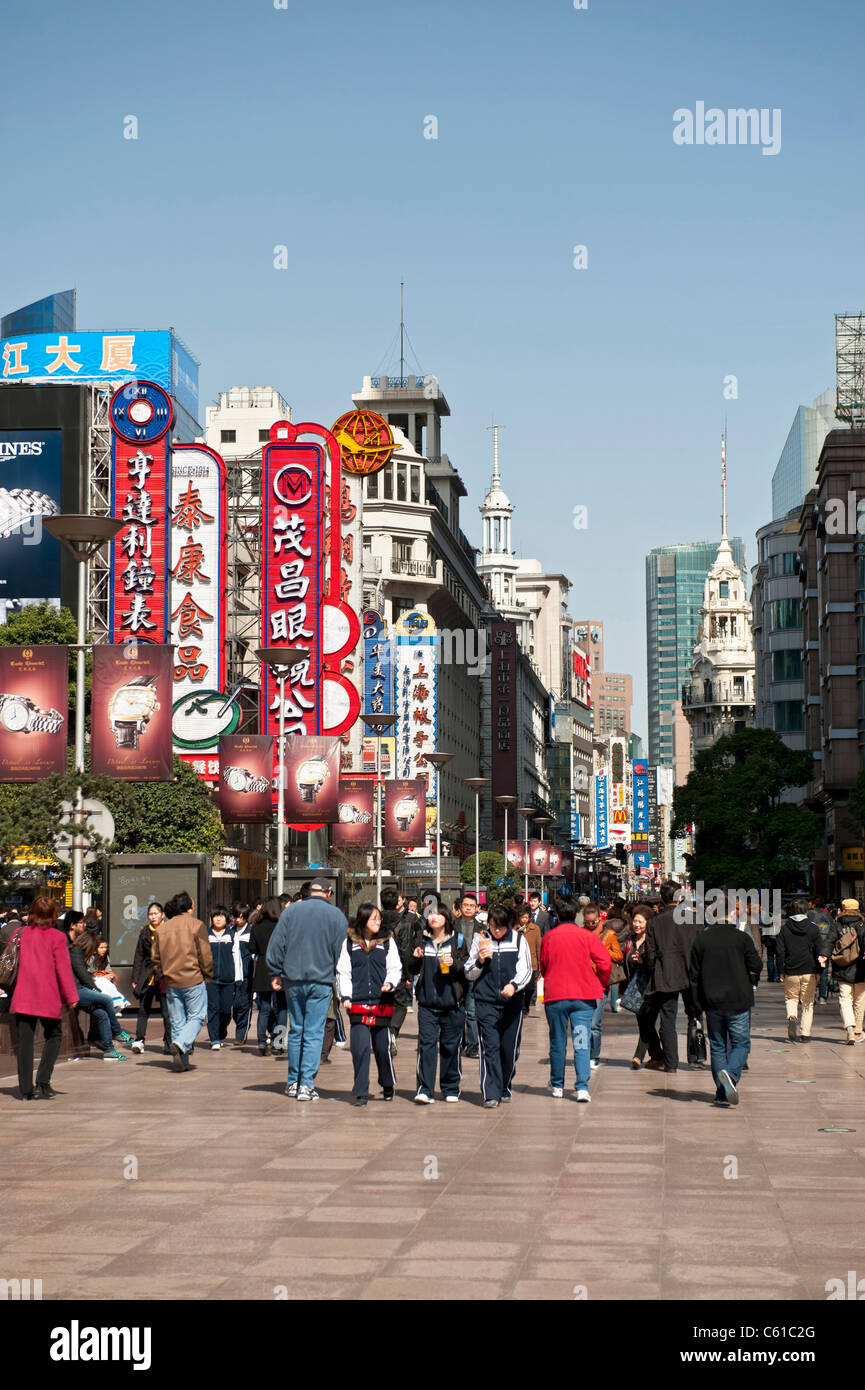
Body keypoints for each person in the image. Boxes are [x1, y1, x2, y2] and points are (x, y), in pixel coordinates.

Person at [266, 878, 348, 1101]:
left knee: (297, 1030)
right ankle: (306, 1085)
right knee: (313, 1033)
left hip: (292, 979)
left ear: (309, 892)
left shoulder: (291, 912)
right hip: (321, 980)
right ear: (329, 893)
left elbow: (276, 945)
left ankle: (293, 1082)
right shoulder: (336, 916)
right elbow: (342, 952)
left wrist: (275, 972)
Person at [689, 892, 762, 1107]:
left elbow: (693, 975)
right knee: (741, 1044)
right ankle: (730, 1075)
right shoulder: (742, 938)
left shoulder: (701, 938)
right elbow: (757, 965)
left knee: (718, 1046)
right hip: (739, 999)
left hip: (711, 1001)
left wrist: (694, 1006)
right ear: (731, 914)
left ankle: (722, 1093)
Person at [539, 899, 612, 1101]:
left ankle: (557, 1085)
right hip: (583, 997)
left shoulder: (549, 937)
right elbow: (605, 963)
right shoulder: (586, 936)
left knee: (557, 1041)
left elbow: (543, 965)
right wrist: (599, 981)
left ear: (558, 916)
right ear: (576, 916)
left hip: (556, 996)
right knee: (581, 1041)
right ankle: (582, 1087)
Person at [10, 896, 79, 1099]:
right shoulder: (57, 937)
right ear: (53, 915)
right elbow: (63, 970)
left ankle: (25, 1090)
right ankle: (42, 1080)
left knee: (25, 1042)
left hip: (23, 995)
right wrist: (72, 996)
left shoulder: (21, 933)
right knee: (54, 1035)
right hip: (47, 995)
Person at [464, 904, 532, 1108]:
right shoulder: (481, 938)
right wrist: (480, 960)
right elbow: (469, 971)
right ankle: (491, 1093)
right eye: (493, 926)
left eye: (501, 927)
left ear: (509, 925)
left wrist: (514, 985)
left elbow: (526, 969)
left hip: (512, 1003)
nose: (497, 931)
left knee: (509, 1049)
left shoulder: (519, 939)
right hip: (486, 1002)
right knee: (490, 1047)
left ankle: (504, 1085)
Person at [336, 903, 401, 1106]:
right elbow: (343, 972)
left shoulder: (387, 942)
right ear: (363, 920)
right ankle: (361, 1090)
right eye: (374, 918)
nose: (378, 921)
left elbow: (395, 967)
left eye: (379, 918)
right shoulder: (350, 943)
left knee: (382, 1048)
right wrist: (345, 996)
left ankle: (387, 1082)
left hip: (382, 1003)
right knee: (360, 1048)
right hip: (358, 1004)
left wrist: (390, 984)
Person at [410, 903, 469, 1103]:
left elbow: (467, 968)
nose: (433, 917)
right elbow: (411, 968)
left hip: (452, 1002)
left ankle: (450, 1087)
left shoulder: (458, 941)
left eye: (437, 914)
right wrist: (415, 958)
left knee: (450, 1046)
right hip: (427, 1003)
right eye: (430, 914)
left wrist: (454, 964)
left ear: (446, 917)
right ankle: (425, 1089)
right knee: (426, 1045)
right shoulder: (421, 940)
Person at [151, 891, 213, 1072]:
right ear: (188, 907)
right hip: (193, 978)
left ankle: (182, 1061)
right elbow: (205, 954)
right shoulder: (196, 925)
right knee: (196, 1017)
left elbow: (155, 958)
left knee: (177, 1021)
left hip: (171, 981)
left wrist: (163, 975)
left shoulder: (162, 928)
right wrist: (207, 974)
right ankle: (181, 1043)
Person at [69, 918, 133, 1060]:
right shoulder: (75, 952)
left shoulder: (78, 952)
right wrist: (95, 989)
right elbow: (82, 974)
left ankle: (109, 1050)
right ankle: (117, 1031)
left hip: (80, 989)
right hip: (75, 990)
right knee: (106, 999)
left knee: (102, 1014)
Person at [819, 898, 865, 1044]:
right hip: (861, 968)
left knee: (845, 999)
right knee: (859, 1000)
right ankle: (858, 1030)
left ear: (842, 909)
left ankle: (849, 1029)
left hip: (842, 967)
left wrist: (823, 955)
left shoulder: (836, 924)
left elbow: (829, 941)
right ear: (858, 909)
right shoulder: (863, 923)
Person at [777, 898, 822, 1043]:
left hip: (791, 969)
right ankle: (805, 1033)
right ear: (806, 911)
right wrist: (818, 971)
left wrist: (781, 970)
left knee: (791, 998)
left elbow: (779, 951)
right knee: (808, 1002)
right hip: (809, 969)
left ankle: (792, 1017)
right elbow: (818, 950)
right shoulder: (814, 928)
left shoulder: (784, 928)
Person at [626, 903, 664, 1070]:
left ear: (648, 923)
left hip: (652, 988)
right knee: (644, 1024)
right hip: (635, 989)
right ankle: (657, 1056)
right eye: (635, 921)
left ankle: (638, 1056)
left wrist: (644, 961)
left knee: (647, 1024)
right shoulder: (630, 940)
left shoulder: (652, 941)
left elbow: (656, 964)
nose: (637, 925)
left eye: (641, 922)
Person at [131, 902, 172, 1055]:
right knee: (143, 1009)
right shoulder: (144, 932)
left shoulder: (169, 930)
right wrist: (135, 978)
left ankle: (169, 1042)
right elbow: (139, 956)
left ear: (162, 915)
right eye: (150, 914)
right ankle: (139, 1040)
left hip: (165, 976)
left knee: (166, 1012)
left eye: (156, 913)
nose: (153, 916)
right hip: (148, 974)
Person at [582, 902, 619, 1069]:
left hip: (600, 983)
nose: (591, 925)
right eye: (588, 922)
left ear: (599, 918)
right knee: (583, 1022)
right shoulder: (581, 933)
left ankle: (594, 1055)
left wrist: (602, 951)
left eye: (593, 922)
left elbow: (618, 955)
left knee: (594, 1023)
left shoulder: (609, 934)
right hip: (583, 982)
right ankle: (584, 1053)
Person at [248, 898, 286, 1056]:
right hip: (281, 966)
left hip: (263, 967)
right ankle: (278, 1042)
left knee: (264, 1008)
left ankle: (262, 1041)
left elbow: (252, 948)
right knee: (282, 1007)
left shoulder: (256, 927)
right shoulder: (282, 926)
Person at [206, 906, 235, 1050]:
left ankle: (221, 1031)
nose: (218, 918)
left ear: (226, 919)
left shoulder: (232, 935)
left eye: (221, 916)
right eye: (215, 916)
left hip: (228, 979)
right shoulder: (206, 934)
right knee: (213, 1009)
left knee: (225, 1010)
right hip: (210, 980)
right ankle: (214, 1039)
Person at [458, 892, 481, 1059]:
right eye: (465, 905)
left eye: (471, 906)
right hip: (455, 974)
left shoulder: (482, 930)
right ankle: (459, 1041)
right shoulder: (451, 926)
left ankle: (473, 1045)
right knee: (457, 1010)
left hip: (473, 975)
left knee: (472, 1012)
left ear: (476, 908)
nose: (468, 908)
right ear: (460, 907)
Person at [230, 908, 253, 1045]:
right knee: (233, 1006)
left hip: (246, 974)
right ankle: (240, 1026)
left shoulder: (251, 931)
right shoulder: (230, 932)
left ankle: (241, 1035)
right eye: (236, 917)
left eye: (241, 917)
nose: (238, 920)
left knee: (245, 1005)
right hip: (232, 974)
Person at [809, 894, 837, 1005]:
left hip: (812, 946)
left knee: (811, 971)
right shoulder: (828, 916)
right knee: (824, 972)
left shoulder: (809, 914)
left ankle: (811, 994)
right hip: (826, 946)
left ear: (814, 904)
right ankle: (822, 997)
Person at [516, 902, 541, 1014]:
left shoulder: (535, 929)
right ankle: (522, 1008)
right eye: (522, 917)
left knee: (530, 988)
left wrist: (540, 963)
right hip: (518, 963)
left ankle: (527, 1003)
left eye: (526, 917)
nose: (524, 920)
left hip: (532, 963)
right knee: (520, 988)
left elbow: (538, 947)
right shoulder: (514, 929)